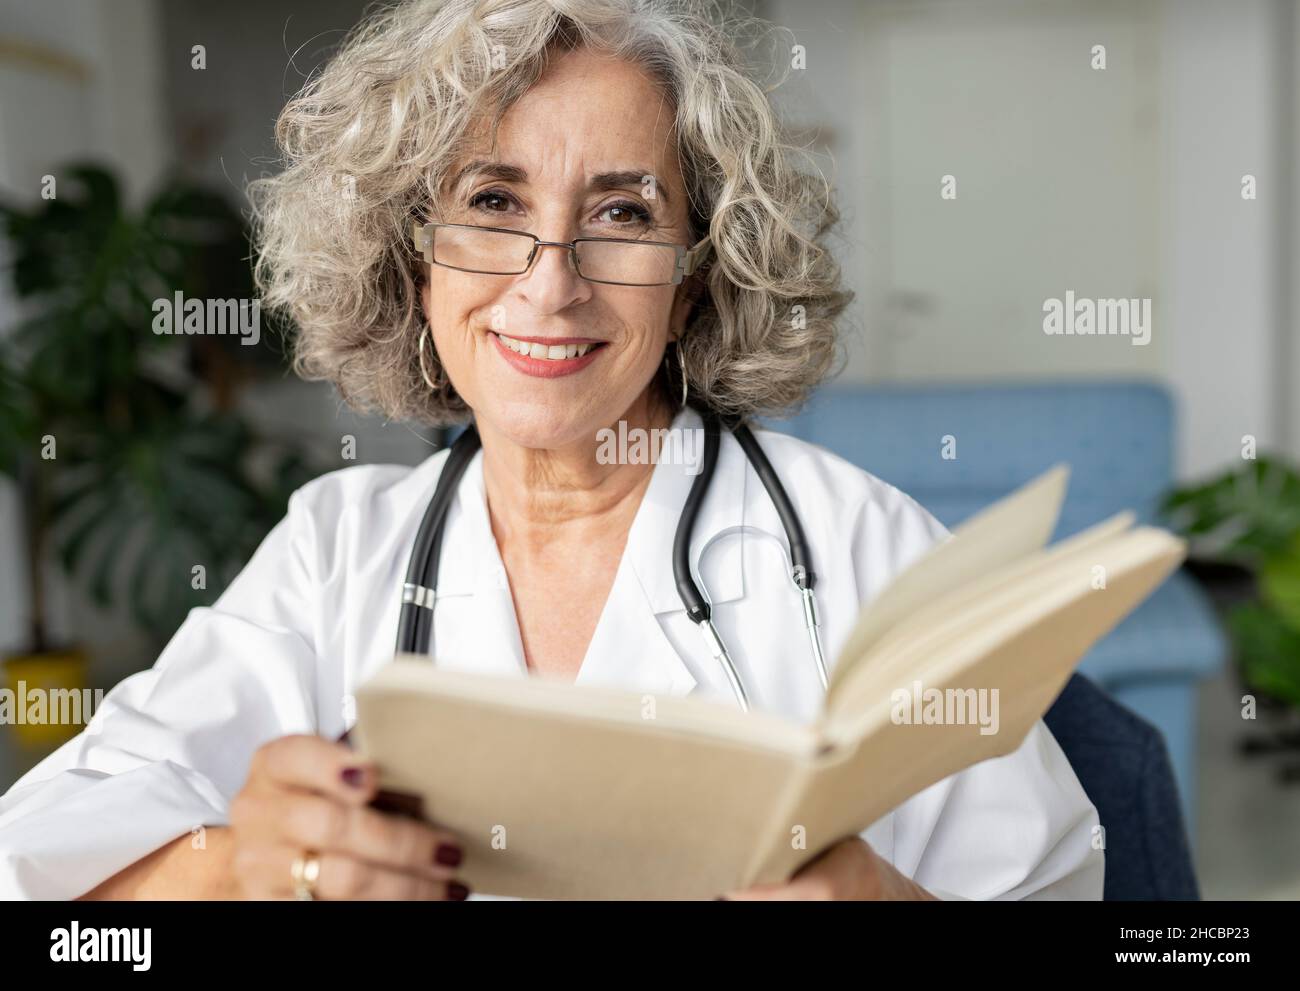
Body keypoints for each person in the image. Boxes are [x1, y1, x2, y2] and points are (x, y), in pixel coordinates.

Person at [0, 0, 1103, 900]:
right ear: (410, 259)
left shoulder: (859, 546)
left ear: (695, 279)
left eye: (623, 214)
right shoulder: (336, 552)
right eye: (492, 200)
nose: (550, 280)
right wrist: (238, 868)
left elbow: (1064, 892)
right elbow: (42, 880)